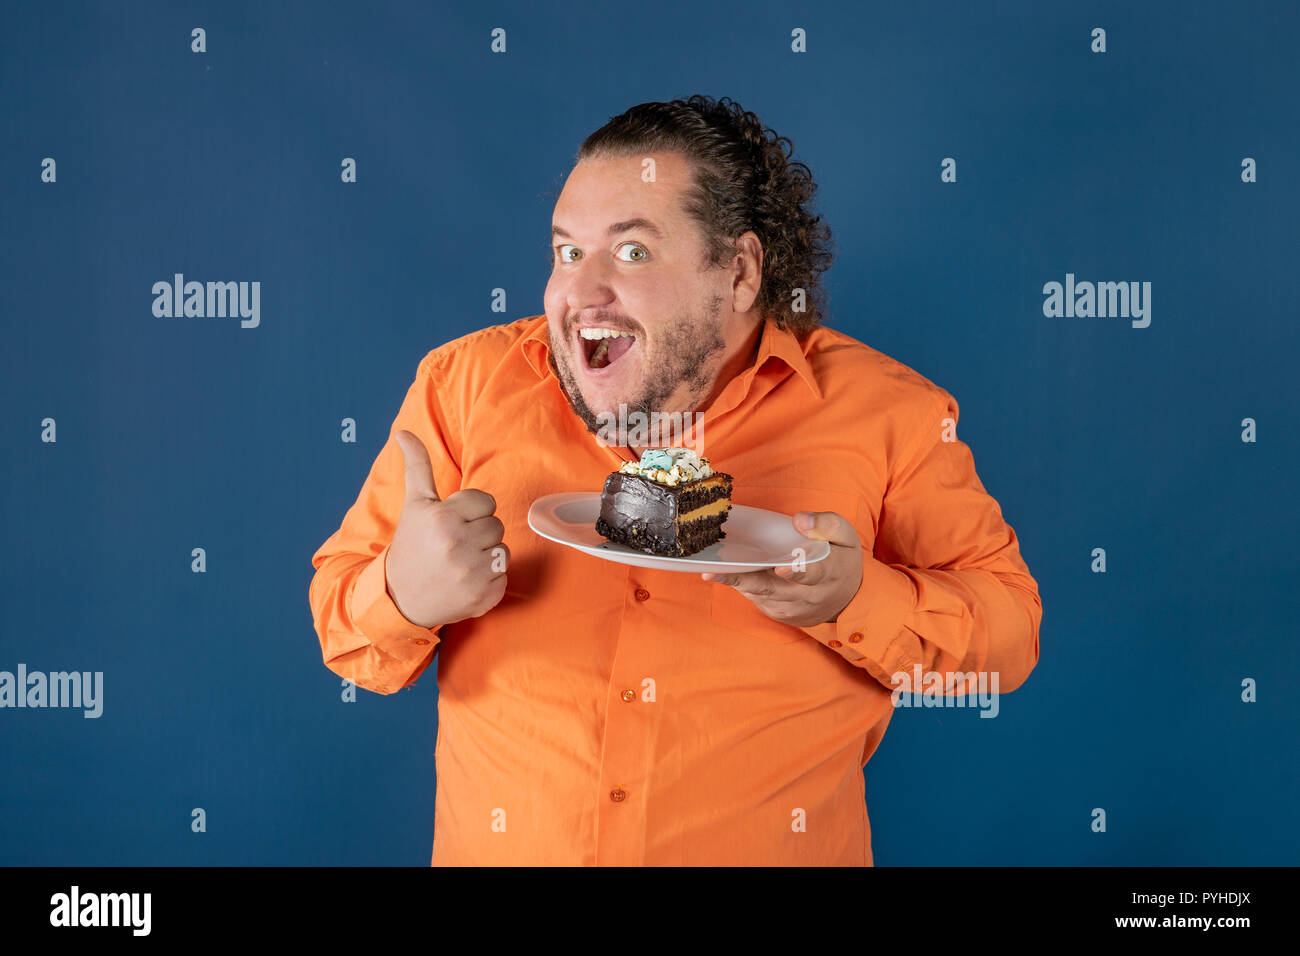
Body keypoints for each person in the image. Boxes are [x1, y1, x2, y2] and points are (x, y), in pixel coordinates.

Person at [308, 95, 1041, 865]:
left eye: (631, 253)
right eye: (566, 252)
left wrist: (857, 600)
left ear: (739, 271)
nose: (581, 293)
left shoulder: (891, 414)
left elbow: (1009, 638)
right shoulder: (463, 387)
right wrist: (402, 593)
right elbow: (341, 628)